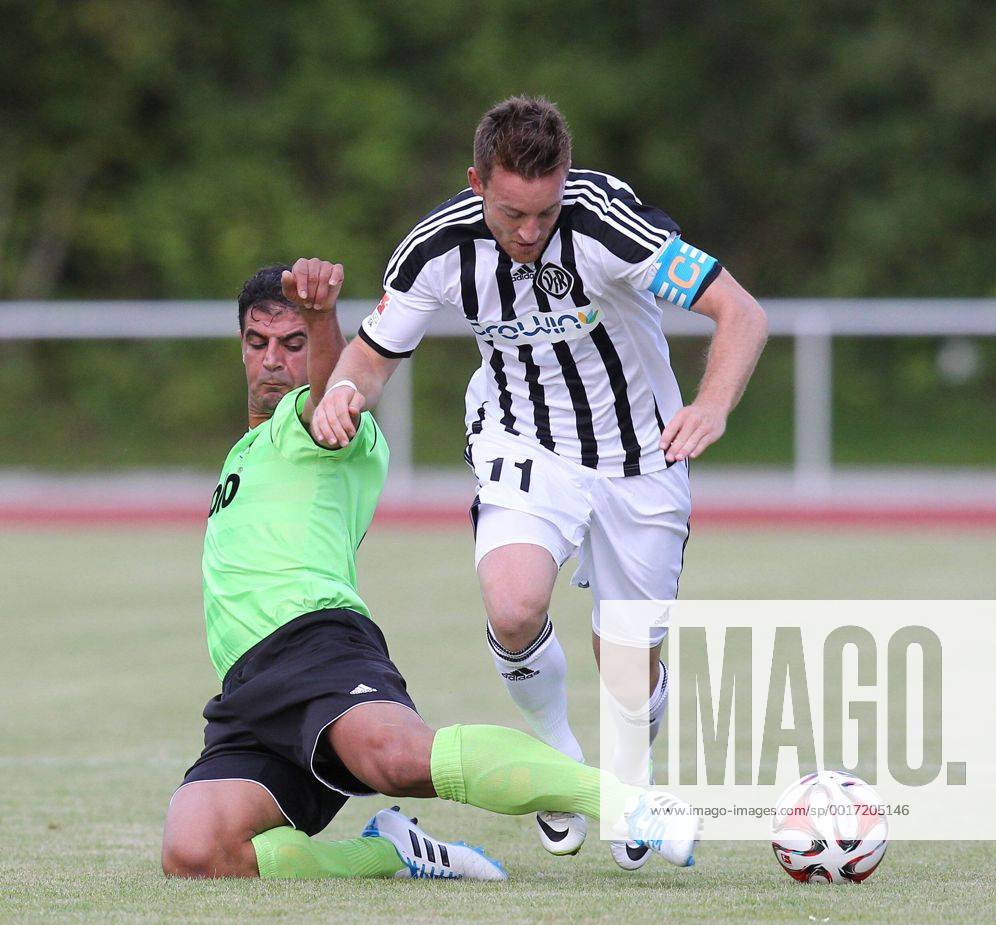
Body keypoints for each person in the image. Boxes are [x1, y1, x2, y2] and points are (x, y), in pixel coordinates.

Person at [310, 95, 767, 870]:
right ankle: (559, 764)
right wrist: (343, 394)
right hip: (525, 442)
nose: (529, 232)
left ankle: (631, 782)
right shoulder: (435, 249)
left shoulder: (606, 222)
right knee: (514, 606)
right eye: (512, 213)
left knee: (627, 660)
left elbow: (742, 313)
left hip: (642, 455)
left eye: (545, 212)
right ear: (476, 181)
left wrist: (712, 404)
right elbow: (371, 354)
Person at [161, 258, 701, 882]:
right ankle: (393, 852)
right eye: (259, 344)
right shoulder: (247, 449)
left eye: (294, 344)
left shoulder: (320, 425)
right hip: (247, 686)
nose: (274, 360)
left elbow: (329, 406)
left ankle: (628, 803)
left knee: (397, 759)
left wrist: (322, 320)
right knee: (196, 851)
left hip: (313, 643)